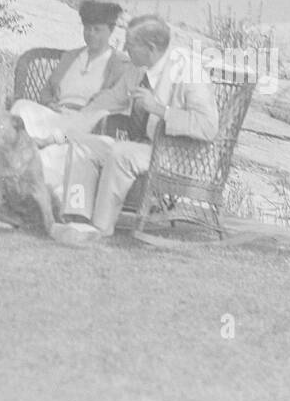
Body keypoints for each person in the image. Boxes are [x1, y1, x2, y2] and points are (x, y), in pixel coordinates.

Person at [76, 14, 219, 240]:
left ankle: (100, 228)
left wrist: (159, 109)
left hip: (179, 154)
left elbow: (208, 126)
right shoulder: (139, 68)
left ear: (151, 48)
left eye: (130, 45)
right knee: (83, 145)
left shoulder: (188, 71)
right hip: (146, 148)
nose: (124, 49)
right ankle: (76, 217)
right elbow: (113, 98)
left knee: (120, 153)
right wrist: (78, 118)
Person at [12, 0, 131, 144]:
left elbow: (115, 102)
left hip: (86, 121)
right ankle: (27, 144)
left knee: (93, 119)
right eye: (87, 28)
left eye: (97, 29)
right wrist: (50, 103)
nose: (91, 34)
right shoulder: (70, 56)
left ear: (110, 30)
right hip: (57, 114)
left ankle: (48, 141)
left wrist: (83, 112)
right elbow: (47, 89)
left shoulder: (119, 64)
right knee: (22, 106)